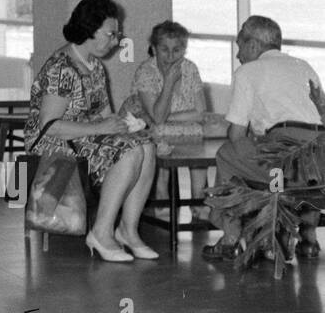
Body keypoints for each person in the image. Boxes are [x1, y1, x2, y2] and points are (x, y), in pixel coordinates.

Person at [27, 0, 159, 261]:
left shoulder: (95, 66)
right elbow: (49, 126)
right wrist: (103, 127)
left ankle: (127, 230)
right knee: (130, 152)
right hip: (53, 142)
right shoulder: (61, 68)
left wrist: (128, 127)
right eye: (111, 34)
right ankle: (101, 232)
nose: (116, 40)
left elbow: (105, 115)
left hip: (84, 135)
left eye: (117, 34)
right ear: (90, 30)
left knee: (145, 145)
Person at [203, 16, 325, 262]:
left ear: (252, 45)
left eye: (239, 47)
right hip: (321, 157)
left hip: (284, 157)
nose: (238, 55)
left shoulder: (248, 71)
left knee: (228, 154)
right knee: (291, 171)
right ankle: (308, 236)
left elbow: (236, 134)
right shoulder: (304, 66)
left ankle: (230, 236)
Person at [129, 20, 209, 203]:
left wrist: (167, 118)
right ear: (154, 48)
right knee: (159, 134)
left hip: (185, 129)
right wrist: (169, 83)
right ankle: (161, 196)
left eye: (177, 50)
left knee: (197, 135)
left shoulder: (190, 68)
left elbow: (200, 112)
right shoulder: (146, 72)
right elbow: (156, 117)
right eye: (165, 49)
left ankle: (198, 198)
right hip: (150, 132)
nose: (171, 56)